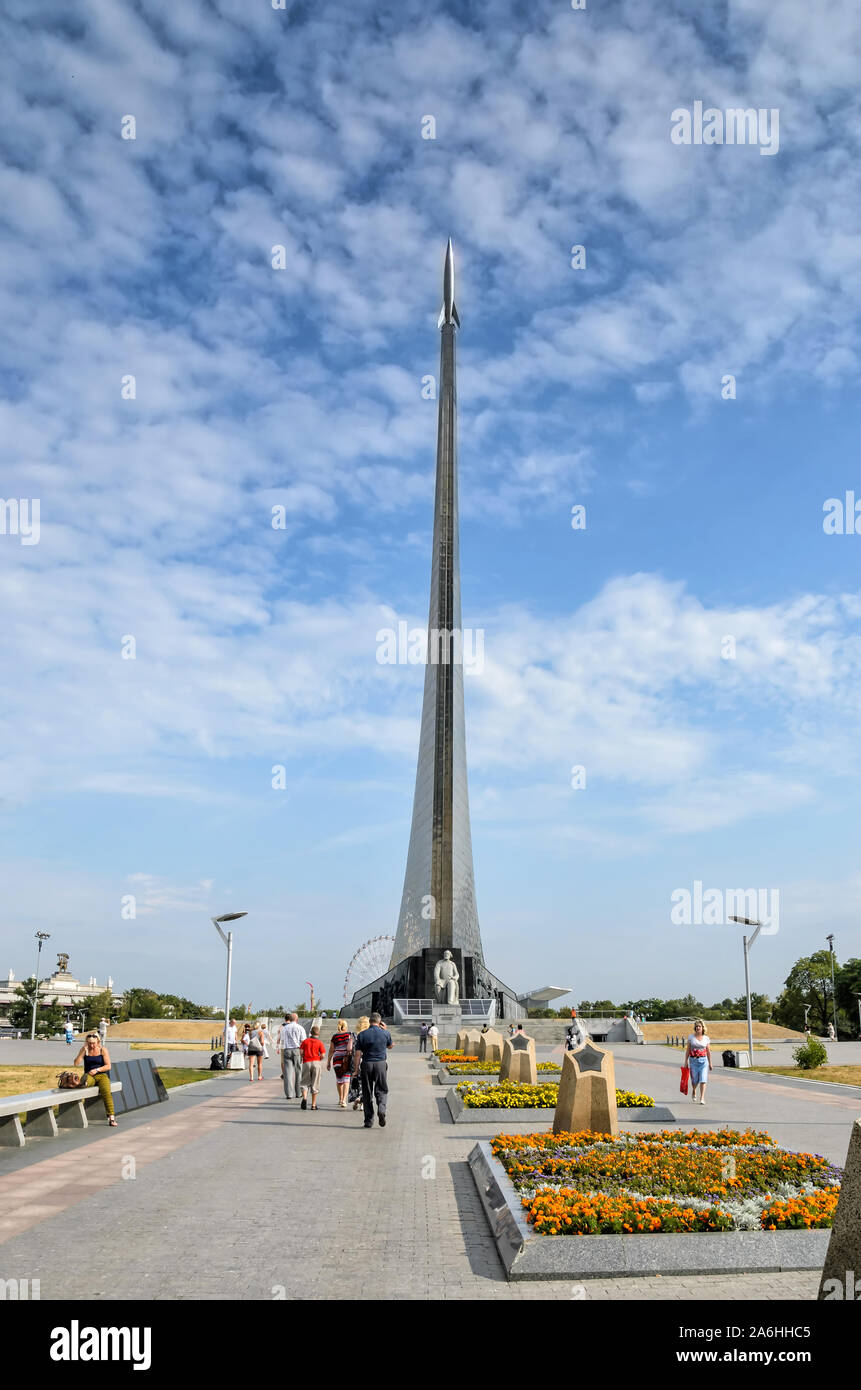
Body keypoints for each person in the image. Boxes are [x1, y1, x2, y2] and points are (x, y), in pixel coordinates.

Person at [355, 1011, 394, 1129]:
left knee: (367, 1092)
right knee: (381, 1089)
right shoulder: (385, 1033)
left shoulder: (362, 1035)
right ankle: (381, 1110)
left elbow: (357, 1054)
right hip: (380, 1064)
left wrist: (356, 1070)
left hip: (366, 1064)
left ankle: (368, 1120)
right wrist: (386, 1030)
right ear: (379, 1022)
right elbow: (390, 1045)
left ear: (370, 1022)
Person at [74, 1031, 118, 1127]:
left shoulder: (103, 1050)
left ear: (98, 1042)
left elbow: (108, 1066)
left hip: (101, 1075)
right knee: (85, 1083)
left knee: (106, 1093)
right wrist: (82, 1052)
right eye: (89, 1043)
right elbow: (76, 1063)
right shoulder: (85, 1050)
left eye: (93, 1043)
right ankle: (83, 1085)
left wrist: (97, 1070)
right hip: (89, 1075)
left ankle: (111, 1117)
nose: (92, 1046)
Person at [278, 1012, 306, 1099]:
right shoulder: (300, 1028)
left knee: (287, 1073)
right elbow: (303, 1041)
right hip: (297, 1050)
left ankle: (289, 1094)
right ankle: (298, 1093)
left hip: (287, 1050)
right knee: (298, 1072)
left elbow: (282, 1039)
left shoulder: (284, 1028)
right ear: (297, 1019)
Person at [684, 1019, 712, 1105]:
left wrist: (710, 1063)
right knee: (694, 1080)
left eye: (699, 1026)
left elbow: (708, 1051)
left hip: (704, 1061)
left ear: (703, 1028)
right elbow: (688, 1050)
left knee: (703, 1079)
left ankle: (702, 1097)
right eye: (696, 1026)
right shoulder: (691, 1037)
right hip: (693, 1061)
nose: (697, 1028)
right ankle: (694, 1090)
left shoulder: (706, 1038)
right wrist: (686, 1061)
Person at [327, 1018, 354, 1107]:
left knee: (339, 1080)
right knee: (346, 1079)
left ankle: (340, 1098)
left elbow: (331, 1050)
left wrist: (328, 1062)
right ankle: (344, 1100)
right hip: (347, 1058)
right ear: (345, 1026)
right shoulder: (349, 1035)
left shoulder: (334, 1036)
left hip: (337, 1059)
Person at [299, 1025, 326, 1110]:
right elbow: (323, 1055)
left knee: (304, 1082)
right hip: (316, 1062)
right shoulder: (320, 1043)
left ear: (311, 1032)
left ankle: (304, 1098)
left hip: (306, 1062)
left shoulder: (305, 1041)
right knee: (315, 1083)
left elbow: (301, 1052)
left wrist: (305, 1056)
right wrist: (319, 1058)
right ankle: (313, 1105)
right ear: (318, 1033)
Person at [349, 1016, 369, 1110]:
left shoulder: (353, 1035)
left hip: (354, 1060)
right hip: (366, 1060)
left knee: (355, 1080)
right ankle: (363, 1103)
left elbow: (349, 1048)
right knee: (365, 1081)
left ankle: (356, 1097)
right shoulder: (368, 1034)